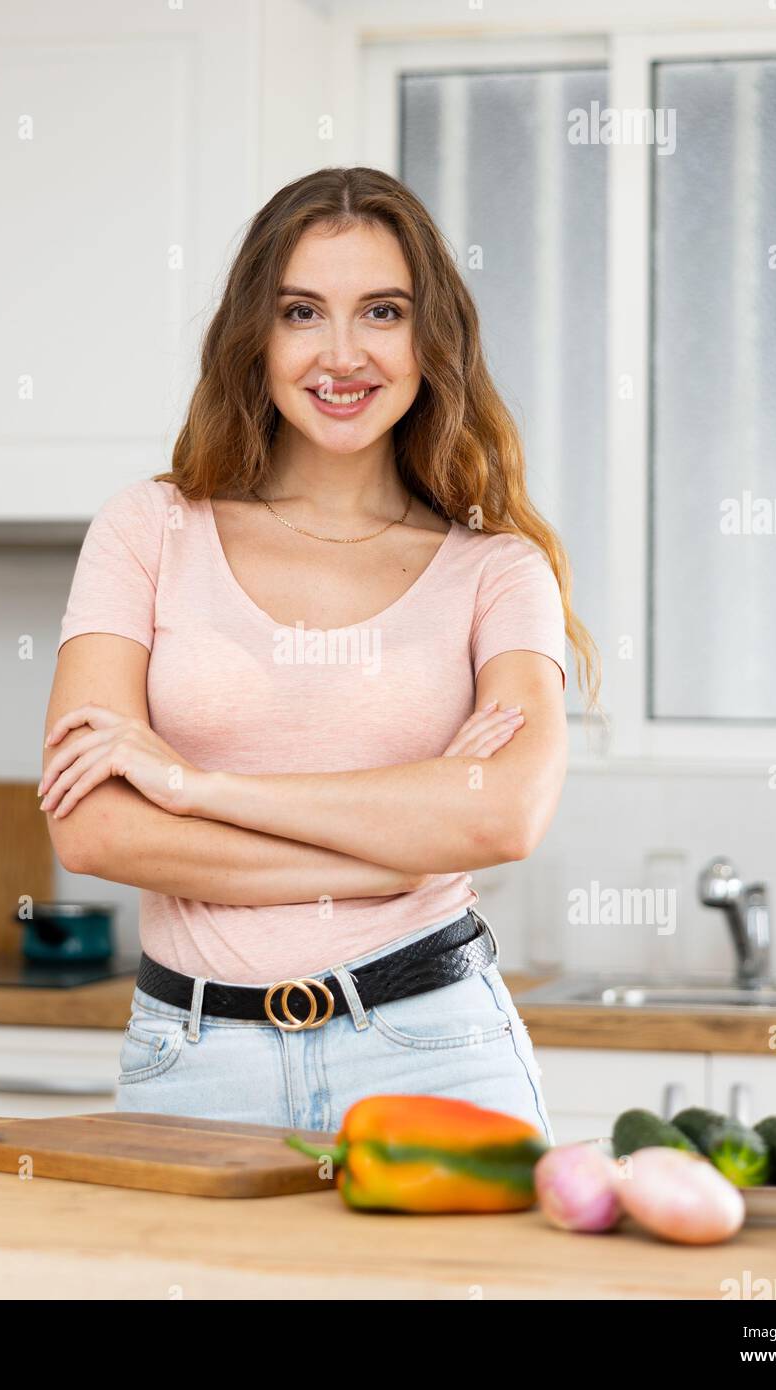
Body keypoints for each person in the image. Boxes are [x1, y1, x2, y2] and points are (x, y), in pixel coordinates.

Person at [39, 166, 600, 1139]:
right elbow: (92, 831)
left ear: (434, 339)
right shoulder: (147, 530)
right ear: (254, 336)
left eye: (381, 311)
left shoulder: (499, 572)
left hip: (435, 1049)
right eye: (303, 311)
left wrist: (196, 788)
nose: (342, 354)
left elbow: (503, 815)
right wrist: (399, 844)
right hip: (193, 1058)